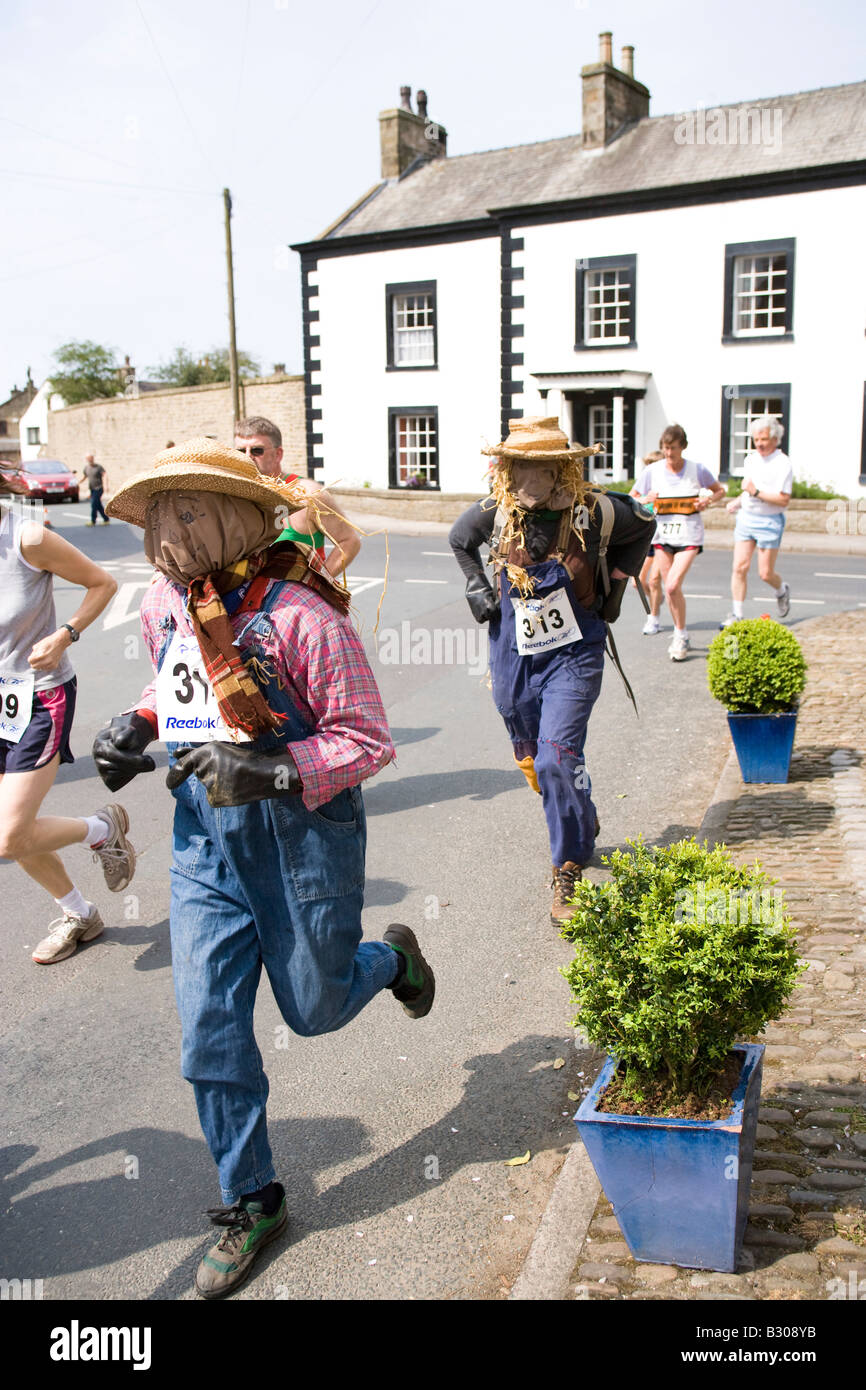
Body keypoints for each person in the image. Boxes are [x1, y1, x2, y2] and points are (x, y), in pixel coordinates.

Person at [92, 439, 435, 1299]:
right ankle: (253, 1199)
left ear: (241, 517)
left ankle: (390, 959)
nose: (169, 533)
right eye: (159, 517)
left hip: (304, 835)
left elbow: (366, 739)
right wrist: (134, 726)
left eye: (189, 512)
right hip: (205, 842)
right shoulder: (167, 606)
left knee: (314, 1010)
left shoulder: (303, 617)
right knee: (208, 1025)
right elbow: (174, 688)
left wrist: (274, 769)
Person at [449, 417, 655, 926]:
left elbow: (645, 525)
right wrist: (477, 586)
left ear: (563, 465)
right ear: (508, 465)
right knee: (530, 753)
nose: (530, 477)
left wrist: (620, 587)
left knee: (556, 759)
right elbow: (459, 540)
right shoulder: (495, 511)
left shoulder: (598, 510)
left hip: (575, 648)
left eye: (542, 466)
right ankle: (579, 812)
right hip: (512, 649)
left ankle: (567, 866)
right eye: (521, 465)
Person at [0, 469, 136, 965]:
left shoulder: (28, 538)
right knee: (15, 830)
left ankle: (99, 830)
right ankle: (79, 914)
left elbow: (102, 582)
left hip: (37, 697)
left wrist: (64, 635)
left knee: (8, 835)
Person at [632, 425, 726, 661]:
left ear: (682, 447)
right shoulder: (652, 471)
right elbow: (632, 497)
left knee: (672, 586)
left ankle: (680, 635)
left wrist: (707, 501)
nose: (669, 454)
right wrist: (645, 499)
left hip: (689, 536)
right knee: (671, 589)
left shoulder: (697, 470)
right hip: (663, 536)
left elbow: (719, 491)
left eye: (673, 448)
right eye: (665, 448)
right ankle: (680, 633)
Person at [233, 416, 361, 578]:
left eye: (257, 450)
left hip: (295, 600)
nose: (248, 456)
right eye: (241, 451)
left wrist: (319, 582)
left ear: (278, 454)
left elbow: (349, 542)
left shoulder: (308, 494)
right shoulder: (236, 496)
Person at [721, 417, 792, 627]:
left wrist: (755, 492)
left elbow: (783, 499)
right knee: (739, 567)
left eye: (764, 439)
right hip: (747, 519)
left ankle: (781, 590)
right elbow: (749, 492)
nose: (759, 444)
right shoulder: (751, 460)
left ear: (775, 438)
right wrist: (738, 501)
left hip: (770, 521)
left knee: (765, 573)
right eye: (756, 439)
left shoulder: (783, 463)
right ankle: (737, 614)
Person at [631, 449, 664, 635]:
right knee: (637, 582)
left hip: (663, 539)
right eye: (649, 466)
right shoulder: (646, 484)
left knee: (654, 580)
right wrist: (645, 499)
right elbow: (630, 497)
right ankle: (657, 600)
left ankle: (654, 618)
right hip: (646, 539)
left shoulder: (667, 484)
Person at [82, 453, 109, 526]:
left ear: (93, 458)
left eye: (91, 458)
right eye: (88, 458)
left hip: (99, 488)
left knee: (94, 504)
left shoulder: (98, 467)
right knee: (98, 505)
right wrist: (79, 482)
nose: (90, 459)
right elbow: (85, 476)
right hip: (92, 489)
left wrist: (106, 485)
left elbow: (105, 475)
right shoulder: (86, 468)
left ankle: (93, 521)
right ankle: (106, 519)